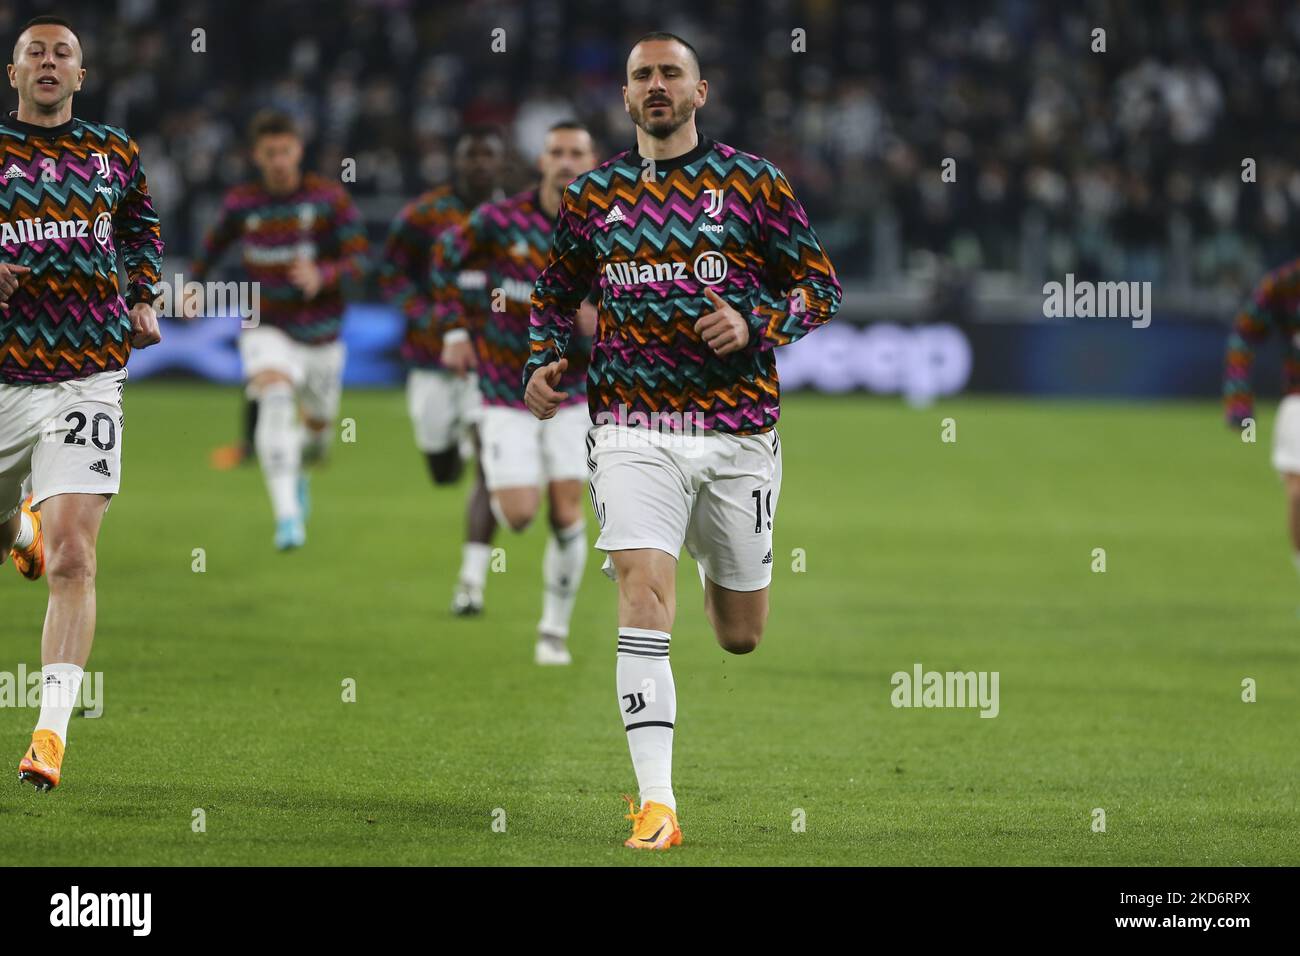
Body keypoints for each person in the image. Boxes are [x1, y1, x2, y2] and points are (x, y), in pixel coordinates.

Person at [524, 33, 842, 847]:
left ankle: (702, 544)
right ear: (626, 99)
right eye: (642, 76)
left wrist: (757, 321)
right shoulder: (592, 199)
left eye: (671, 74)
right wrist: (543, 359)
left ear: (700, 92)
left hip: (738, 432)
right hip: (635, 427)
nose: (656, 85)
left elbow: (819, 286)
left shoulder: (752, 183)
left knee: (740, 635)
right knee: (641, 591)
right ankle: (658, 804)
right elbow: (553, 298)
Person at [0, 15, 164, 790]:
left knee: (74, 555)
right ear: (13, 73)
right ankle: (12, 525)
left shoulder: (113, 152)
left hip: (85, 372)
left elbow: (140, 227)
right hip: (4, 373)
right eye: (35, 52)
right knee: (17, 529)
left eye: (62, 53)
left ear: (80, 76)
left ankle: (50, 733)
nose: (48, 62)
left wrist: (142, 294)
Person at [437, 122, 598, 663]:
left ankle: (553, 632)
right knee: (522, 514)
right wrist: (457, 329)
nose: (566, 160)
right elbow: (444, 259)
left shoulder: (609, 225)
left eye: (577, 151)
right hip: (506, 388)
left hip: (574, 392)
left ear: (593, 159)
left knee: (566, 510)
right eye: (557, 151)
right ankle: (483, 449)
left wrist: (605, 316)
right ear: (541, 159)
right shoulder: (498, 220)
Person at [191, 110, 368, 549]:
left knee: (317, 436)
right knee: (272, 395)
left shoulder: (329, 199)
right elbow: (211, 248)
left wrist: (323, 275)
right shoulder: (241, 202)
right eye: (270, 153)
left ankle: (302, 467)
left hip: (322, 334)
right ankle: (288, 518)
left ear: (298, 150)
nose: (278, 161)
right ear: (257, 155)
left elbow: (361, 260)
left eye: (285, 151)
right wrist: (193, 285)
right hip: (264, 321)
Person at [378, 128, 506, 615]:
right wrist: (423, 314)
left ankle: (470, 584)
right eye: (470, 156)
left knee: (490, 466)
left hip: (491, 359)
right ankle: (452, 449)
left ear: (501, 163)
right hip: (432, 362)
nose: (478, 165)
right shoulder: (424, 214)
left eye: (486, 155)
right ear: (456, 163)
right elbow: (389, 271)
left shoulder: (513, 218)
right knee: (441, 469)